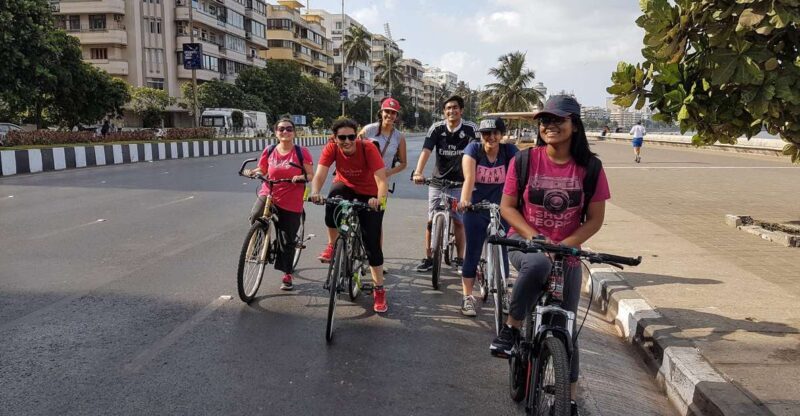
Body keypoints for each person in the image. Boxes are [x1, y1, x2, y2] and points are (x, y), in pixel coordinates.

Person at [490, 96, 610, 416]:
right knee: (540, 261)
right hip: (526, 244)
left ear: (574, 125)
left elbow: (595, 219)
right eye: (544, 121)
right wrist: (536, 238)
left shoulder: (591, 168)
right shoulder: (525, 161)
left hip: (567, 254)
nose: (549, 126)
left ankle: (568, 398)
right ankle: (512, 327)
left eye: (558, 120)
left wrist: (567, 243)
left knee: (567, 328)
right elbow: (508, 208)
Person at [309, 118, 390, 313]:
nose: (347, 141)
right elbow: (320, 174)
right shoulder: (331, 149)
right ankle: (332, 245)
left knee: (372, 244)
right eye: (342, 137)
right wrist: (314, 192)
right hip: (345, 187)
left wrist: (378, 200)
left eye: (351, 136)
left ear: (357, 136)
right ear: (334, 138)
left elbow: (381, 179)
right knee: (331, 205)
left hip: (370, 194)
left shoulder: (368, 148)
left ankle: (379, 289)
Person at [243, 118, 314, 291]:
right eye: (281, 129)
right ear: (276, 132)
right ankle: (258, 248)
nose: (285, 132)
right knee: (256, 214)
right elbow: (264, 170)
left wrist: (301, 177)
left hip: (291, 198)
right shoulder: (270, 150)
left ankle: (287, 274)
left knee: (286, 239)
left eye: (289, 129)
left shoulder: (301, 152)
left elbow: (310, 175)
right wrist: (253, 172)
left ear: (294, 132)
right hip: (269, 192)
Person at [457, 117, 518, 316]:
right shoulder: (473, 150)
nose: (491, 137)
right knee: (473, 252)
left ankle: (504, 291)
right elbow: (469, 178)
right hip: (476, 208)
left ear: (501, 134)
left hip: (502, 209)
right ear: (480, 136)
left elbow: (518, 180)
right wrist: (465, 201)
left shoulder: (509, 152)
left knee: (503, 250)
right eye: (486, 133)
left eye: (495, 133)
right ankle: (467, 297)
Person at [412, 95, 478, 272]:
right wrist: (418, 172)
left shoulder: (471, 129)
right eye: (448, 108)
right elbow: (426, 151)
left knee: (459, 221)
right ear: (444, 111)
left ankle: (460, 258)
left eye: (455, 107)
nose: (451, 111)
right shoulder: (436, 128)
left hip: (459, 183)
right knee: (430, 220)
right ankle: (428, 258)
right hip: (437, 181)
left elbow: (479, 153)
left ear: (461, 110)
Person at [358, 97, 408, 179]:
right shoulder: (368, 130)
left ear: (396, 116)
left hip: (383, 181)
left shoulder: (399, 137)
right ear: (381, 112)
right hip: (364, 179)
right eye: (387, 111)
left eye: (393, 113)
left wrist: (387, 173)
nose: (389, 115)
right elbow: (354, 150)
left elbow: (403, 163)